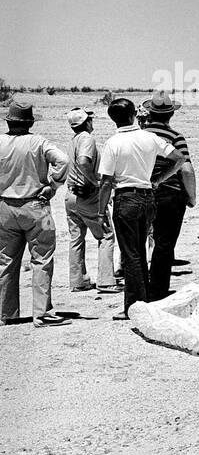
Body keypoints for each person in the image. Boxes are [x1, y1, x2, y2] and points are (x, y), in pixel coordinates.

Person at [97, 98, 185, 319]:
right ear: (133, 115)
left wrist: (100, 212)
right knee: (141, 250)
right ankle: (144, 299)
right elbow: (178, 158)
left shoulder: (113, 143)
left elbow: (106, 182)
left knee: (131, 254)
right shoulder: (150, 138)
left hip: (126, 199)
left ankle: (134, 306)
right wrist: (159, 179)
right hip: (148, 197)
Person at [0, 100, 69, 326]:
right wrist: (53, 185)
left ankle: (5, 313)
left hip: (4, 208)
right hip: (36, 206)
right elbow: (63, 160)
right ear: (30, 122)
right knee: (42, 259)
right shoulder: (38, 142)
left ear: (9, 121)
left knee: (6, 261)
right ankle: (42, 313)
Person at [141, 91, 196, 300]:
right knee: (164, 245)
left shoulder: (140, 136)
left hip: (141, 192)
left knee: (139, 244)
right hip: (170, 195)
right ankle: (158, 290)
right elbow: (187, 169)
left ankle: (139, 288)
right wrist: (191, 197)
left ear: (150, 113)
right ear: (171, 114)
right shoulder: (175, 137)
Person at [64, 106, 120, 294]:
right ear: (86, 122)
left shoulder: (74, 139)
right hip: (87, 195)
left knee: (76, 238)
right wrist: (95, 181)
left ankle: (78, 281)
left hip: (71, 195)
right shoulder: (87, 138)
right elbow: (83, 161)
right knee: (105, 236)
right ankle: (106, 281)